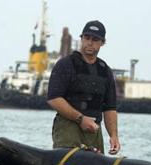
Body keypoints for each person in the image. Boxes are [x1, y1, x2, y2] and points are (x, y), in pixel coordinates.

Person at [47, 20, 120, 155]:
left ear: (102, 43)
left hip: (93, 131)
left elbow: (110, 108)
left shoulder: (105, 71)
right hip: (68, 128)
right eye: (86, 38)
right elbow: (54, 98)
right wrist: (80, 119)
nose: (90, 42)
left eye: (95, 39)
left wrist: (113, 136)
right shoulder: (65, 65)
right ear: (81, 38)